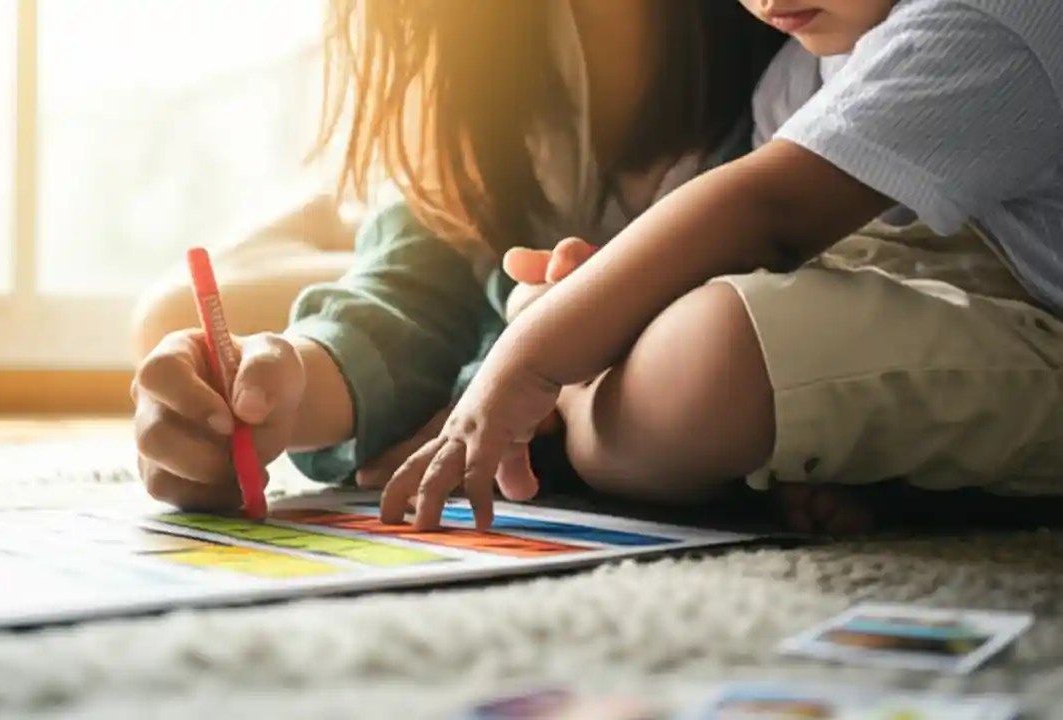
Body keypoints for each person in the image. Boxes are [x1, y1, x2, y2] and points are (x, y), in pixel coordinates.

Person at [383, 0, 1063, 533]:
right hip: (965, 297)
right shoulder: (797, 72)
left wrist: (529, 360)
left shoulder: (993, 18)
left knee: (698, 365)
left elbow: (769, 218)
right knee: (644, 314)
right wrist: (603, 295)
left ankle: (574, 402)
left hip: (1044, 323)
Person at [130, 1, 787, 512]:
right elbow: (414, 292)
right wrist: (278, 391)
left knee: (666, 395)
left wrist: (506, 384)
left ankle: (339, 221)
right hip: (467, 255)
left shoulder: (803, 37)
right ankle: (334, 219)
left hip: (571, 312)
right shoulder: (466, 40)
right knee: (171, 323)